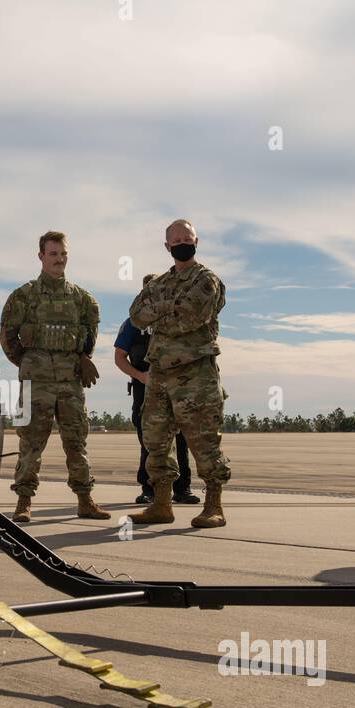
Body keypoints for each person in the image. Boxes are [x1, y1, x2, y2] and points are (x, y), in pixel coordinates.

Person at [0, 231, 109, 523]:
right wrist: (29, 362)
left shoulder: (83, 299)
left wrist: (83, 359)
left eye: (63, 254)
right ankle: (23, 502)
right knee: (31, 442)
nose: (59, 260)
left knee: (76, 441)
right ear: (41, 256)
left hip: (70, 382)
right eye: (53, 254)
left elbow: (89, 337)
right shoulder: (23, 296)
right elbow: (8, 339)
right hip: (36, 382)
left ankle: (85, 500)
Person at [129, 219, 231, 528]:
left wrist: (159, 313)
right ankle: (161, 504)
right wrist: (171, 307)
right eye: (176, 241)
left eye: (187, 239)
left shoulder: (207, 280)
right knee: (155, 441)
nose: (181, 244)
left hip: (195, 374)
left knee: (204, 441)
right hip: (160, 374)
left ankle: (214, 505)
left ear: (196, 242)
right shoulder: (158, 282)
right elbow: (136, 315)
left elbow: (189, 319)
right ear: (167, 247)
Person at [113, 287, 199, 505]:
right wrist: (140, 376)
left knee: (180, 438)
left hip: (176, 388)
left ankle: (182, 489)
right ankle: (149, 489)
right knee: (148, 440)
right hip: (145, 388)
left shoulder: (177, 320)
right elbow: (120, 357)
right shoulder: (133, 323)